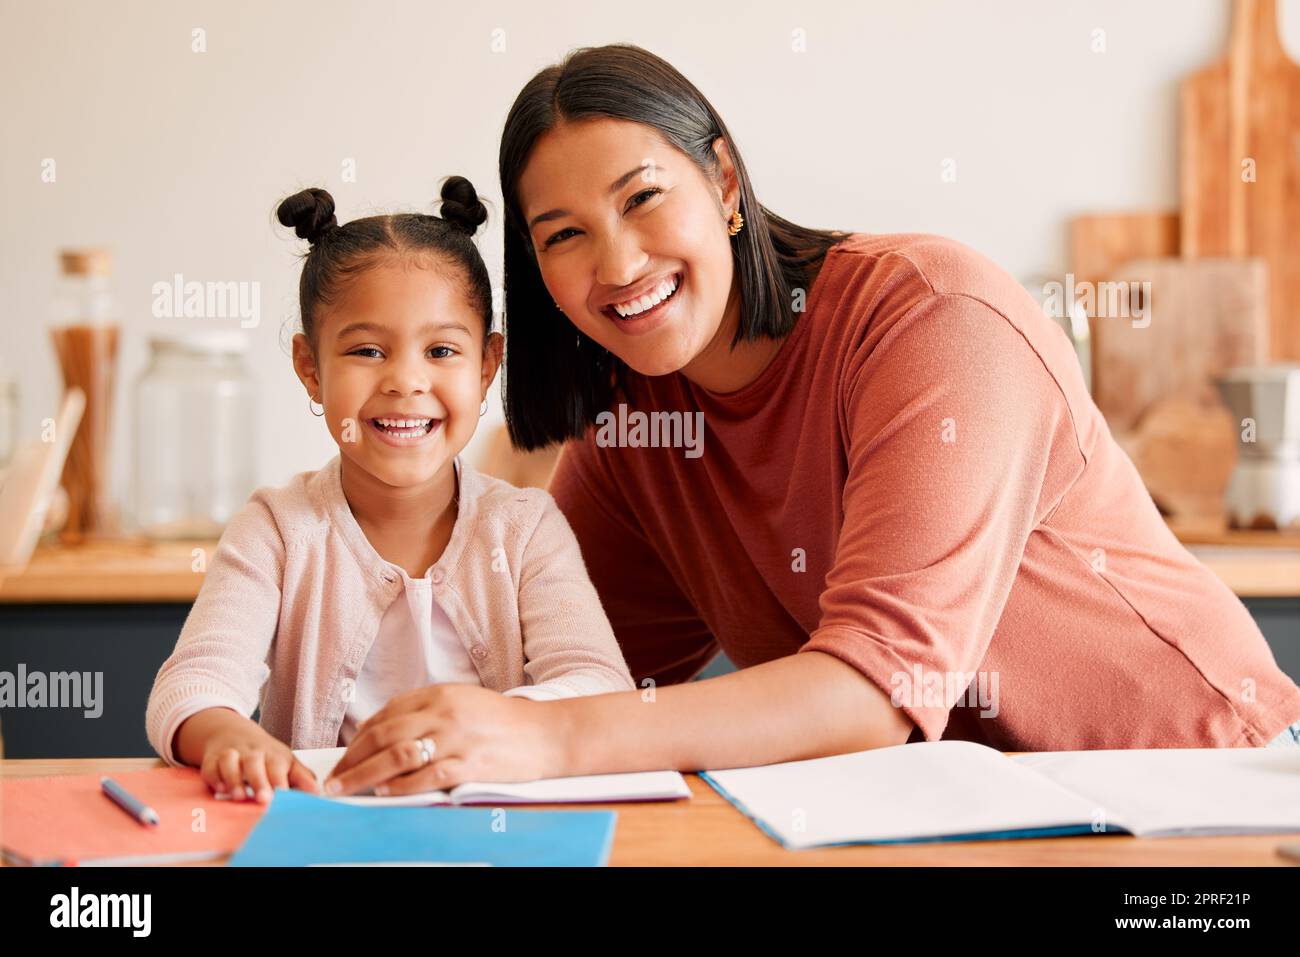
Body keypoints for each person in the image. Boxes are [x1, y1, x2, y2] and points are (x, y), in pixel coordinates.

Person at [324, 45, 1300, 799]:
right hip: (954, 810)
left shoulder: (929, 316)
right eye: (565, 235)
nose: (616, 265)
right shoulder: (631, 428)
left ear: (725, 185)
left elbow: (873, 688)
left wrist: (549, 739)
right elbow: (540, 671)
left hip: (1199, 780)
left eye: (643, 199)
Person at [145, 177, 633, 803]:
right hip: (327, 835)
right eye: (368, 350)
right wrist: (222, 735)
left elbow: (598, 684)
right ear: (310, 369)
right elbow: (194, 682)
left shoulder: (526, 526)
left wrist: (492, 724)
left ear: (487, 365)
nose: (406, 380)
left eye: (440, 350)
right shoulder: (275, 528)